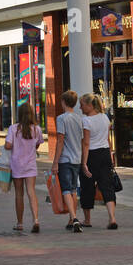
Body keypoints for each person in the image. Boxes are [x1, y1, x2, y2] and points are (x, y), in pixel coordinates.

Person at [79, 94, 117, 229]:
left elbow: (86, 144)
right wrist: (111, 155)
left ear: (89, 106)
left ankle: (87, 220)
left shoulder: (86, 121)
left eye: (82, 104)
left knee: (87, 186)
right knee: (107, 186)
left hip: (91, 156)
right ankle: (112, 218)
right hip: (105, 153)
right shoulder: (105, 118)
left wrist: (84, 163)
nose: (80, 107)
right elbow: (107, 139)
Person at [5, 101, 43, 233]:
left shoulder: (14, 128)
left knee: (19, 194)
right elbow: (38, 144)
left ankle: (20, 223)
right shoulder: (37, 129)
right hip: (31, 164)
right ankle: (36, 219)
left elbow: (8, 146)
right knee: (31, 192)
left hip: (17, 165)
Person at [50, 90, 83, 231]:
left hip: (65, 159)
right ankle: (72, 218)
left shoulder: (62, 118)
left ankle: (74, 218)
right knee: (74, 189)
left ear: (63, 102)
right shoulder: (79, 119)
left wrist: (55, 161)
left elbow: (60, 140)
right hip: (77, 158)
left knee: (66, 189)